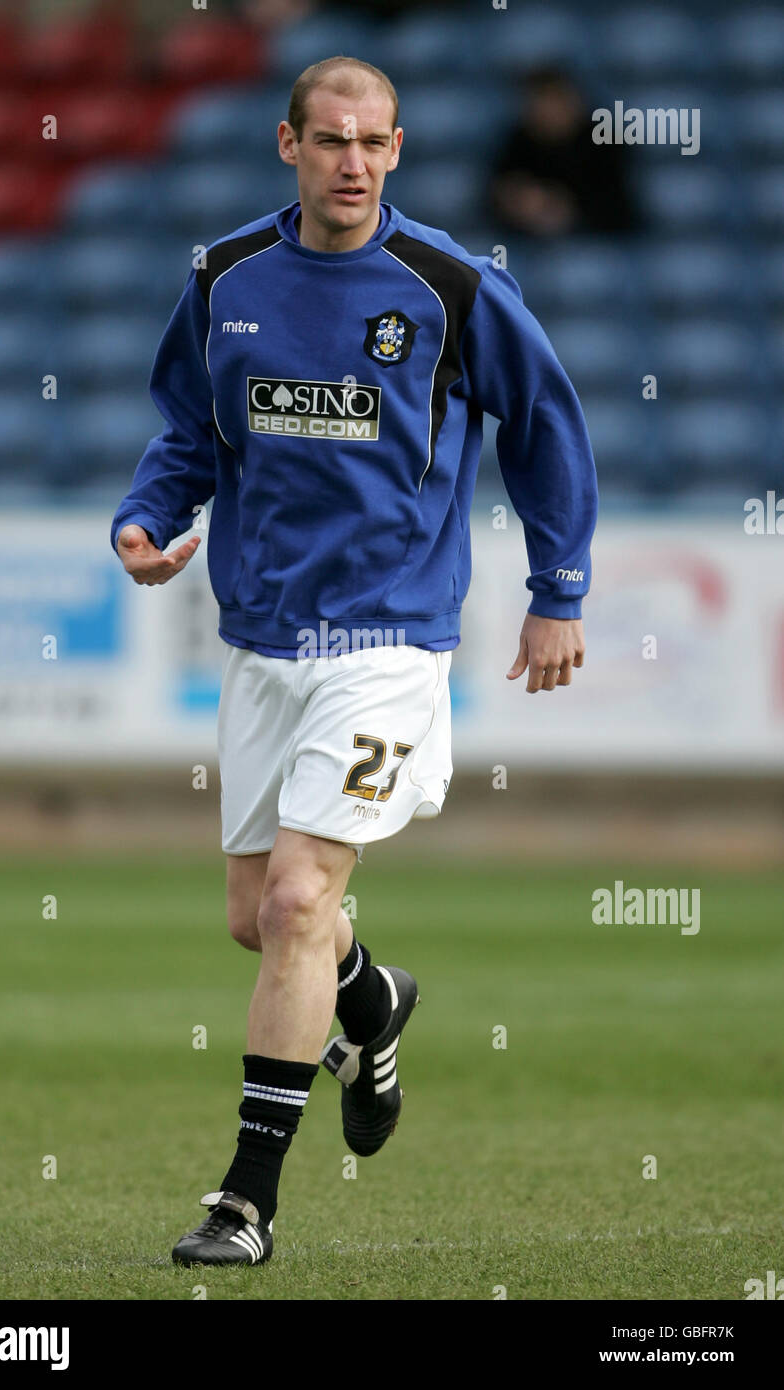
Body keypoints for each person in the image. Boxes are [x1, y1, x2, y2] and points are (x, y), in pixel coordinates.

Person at [109, 56, 598, 1268]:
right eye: (330, 139)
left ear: (397, 149)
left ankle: (244, 1201)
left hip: (387, 642)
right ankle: (369, 999)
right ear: (288, 145)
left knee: (292, 900)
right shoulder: (226, 277)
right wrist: (146, 512)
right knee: (257, 921)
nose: (353, 162)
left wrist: (557, 591)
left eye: (375, 142)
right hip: (265, 639)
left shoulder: (450, 287)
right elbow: (187, 428)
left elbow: (545, 427)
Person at [490, 64, 638, 237]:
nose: (548, 110)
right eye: (540, 100)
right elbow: (496, 200)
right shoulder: (516, 142)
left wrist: (566, 210)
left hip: (596, 242)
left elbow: (621, 209)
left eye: (555, 99)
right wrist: (516, 202)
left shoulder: (607, 141)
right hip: (527, 245)